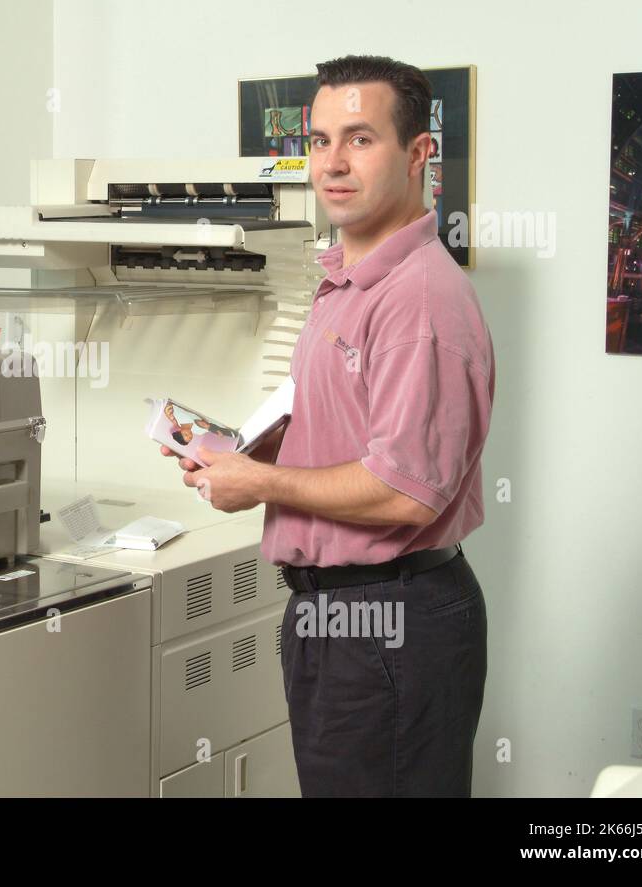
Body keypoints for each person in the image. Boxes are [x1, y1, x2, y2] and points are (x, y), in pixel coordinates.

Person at [161, 55, 495, 796]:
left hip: (389, 617)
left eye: (360, 139)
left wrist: (260, 482)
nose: (333, 163)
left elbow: (406, 493)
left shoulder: (420, 302)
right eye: (319, 140)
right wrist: (247, 451)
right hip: (339, 616)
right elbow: (350, 425)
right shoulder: (343, 282)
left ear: (417, 154)